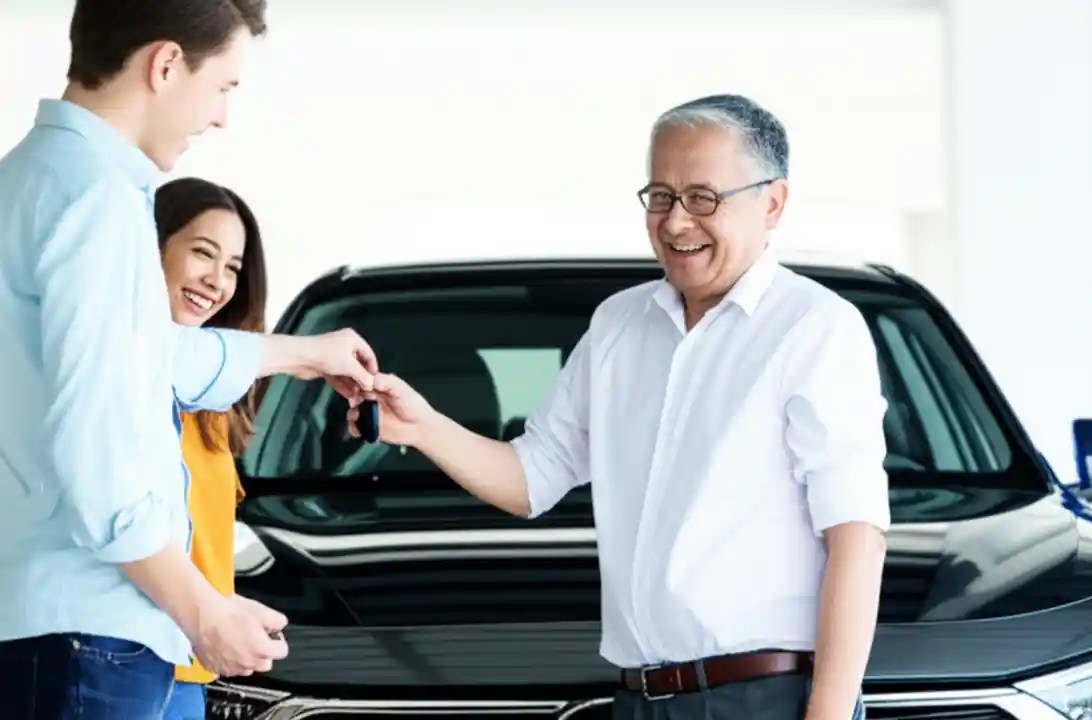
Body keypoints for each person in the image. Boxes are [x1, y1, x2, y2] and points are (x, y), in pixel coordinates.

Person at [349, 94, 889, 720]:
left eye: (702, 198)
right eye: (660, 196)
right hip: (639, 699)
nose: (676, 221)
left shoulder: (816, 327)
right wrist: (423, 425)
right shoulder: (618, 326)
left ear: (772, 203)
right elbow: (533, 478)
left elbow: (856, 537)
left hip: (764, 698)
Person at [0, 2, 377, 717]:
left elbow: (141, 358)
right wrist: (204, 610)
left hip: (41, 630)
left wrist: (300, 355)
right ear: (165, 64)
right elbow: (98, 451)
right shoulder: (99, 202)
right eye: (225, 86)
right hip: (93, 642)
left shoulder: (25, 180)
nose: (221, 117)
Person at [151, 177, 269, 719]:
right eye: (203, 253)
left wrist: (225, 603)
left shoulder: (215, 406)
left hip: (193, 673)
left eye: (232, 269)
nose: (216, 282)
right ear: (152, 247)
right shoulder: (124, 375)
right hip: (130, 663)